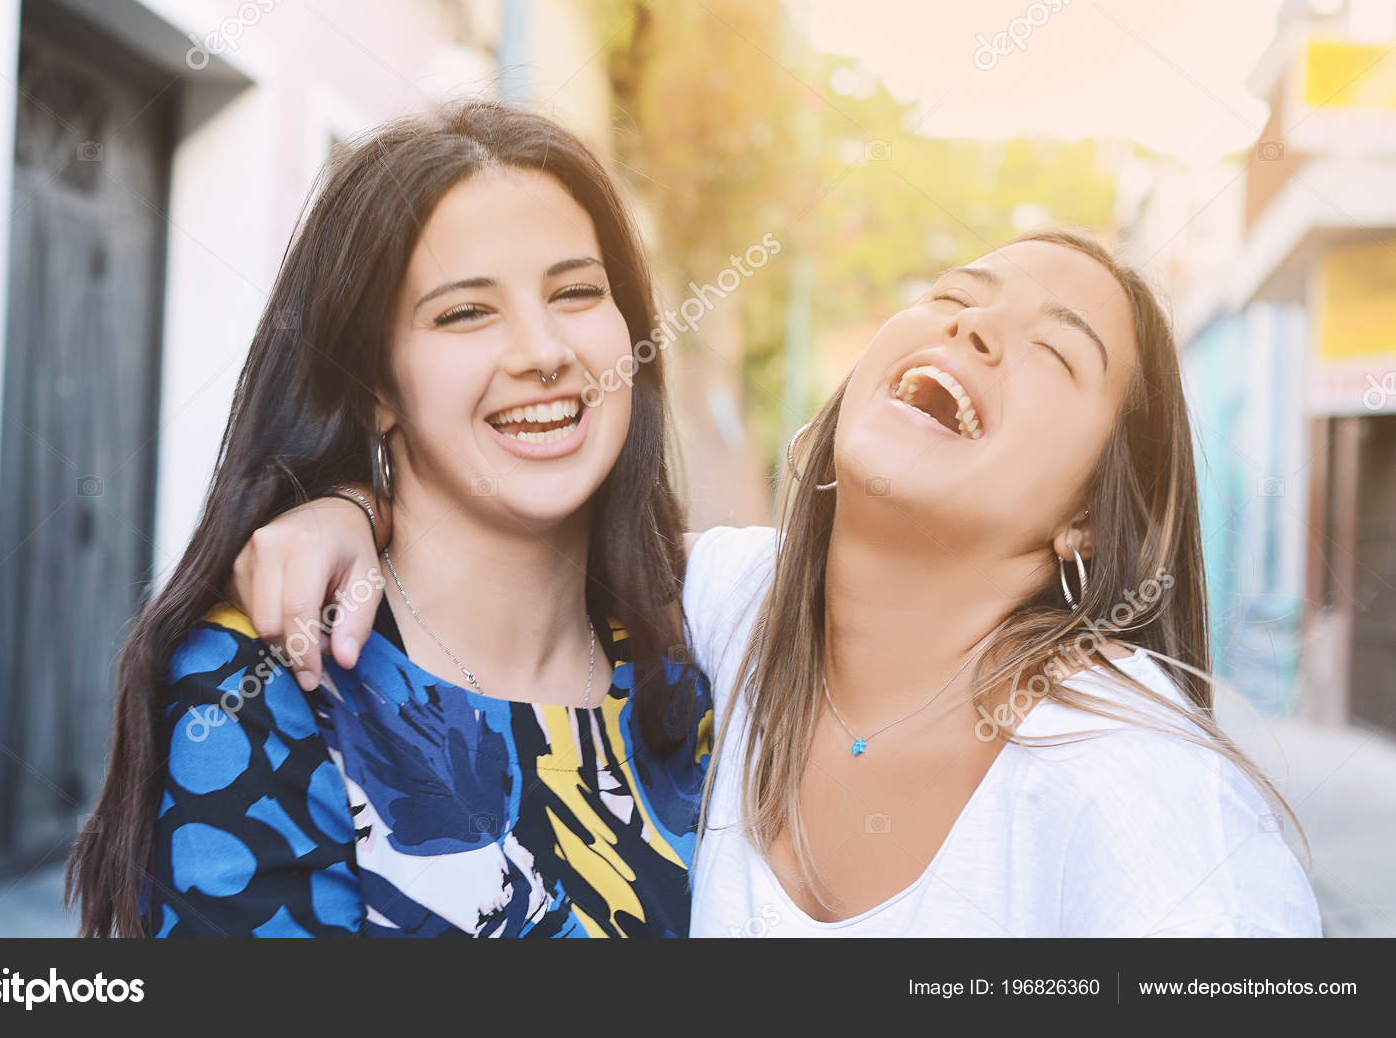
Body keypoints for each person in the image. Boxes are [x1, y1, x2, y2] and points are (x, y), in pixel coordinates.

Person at [236, 229, 1321, 937]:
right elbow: (517, 536)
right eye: (954, 292)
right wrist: (350, 504)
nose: (973, 325)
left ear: (1089, 509)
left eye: (1055, 351)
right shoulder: (736, 608)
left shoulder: (1138, 783)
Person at [64, 100, 711, 937]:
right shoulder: (267, 684)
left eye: (578, 291)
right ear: (372, 386)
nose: (544, 350)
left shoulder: (697, 658)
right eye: (465, 312)